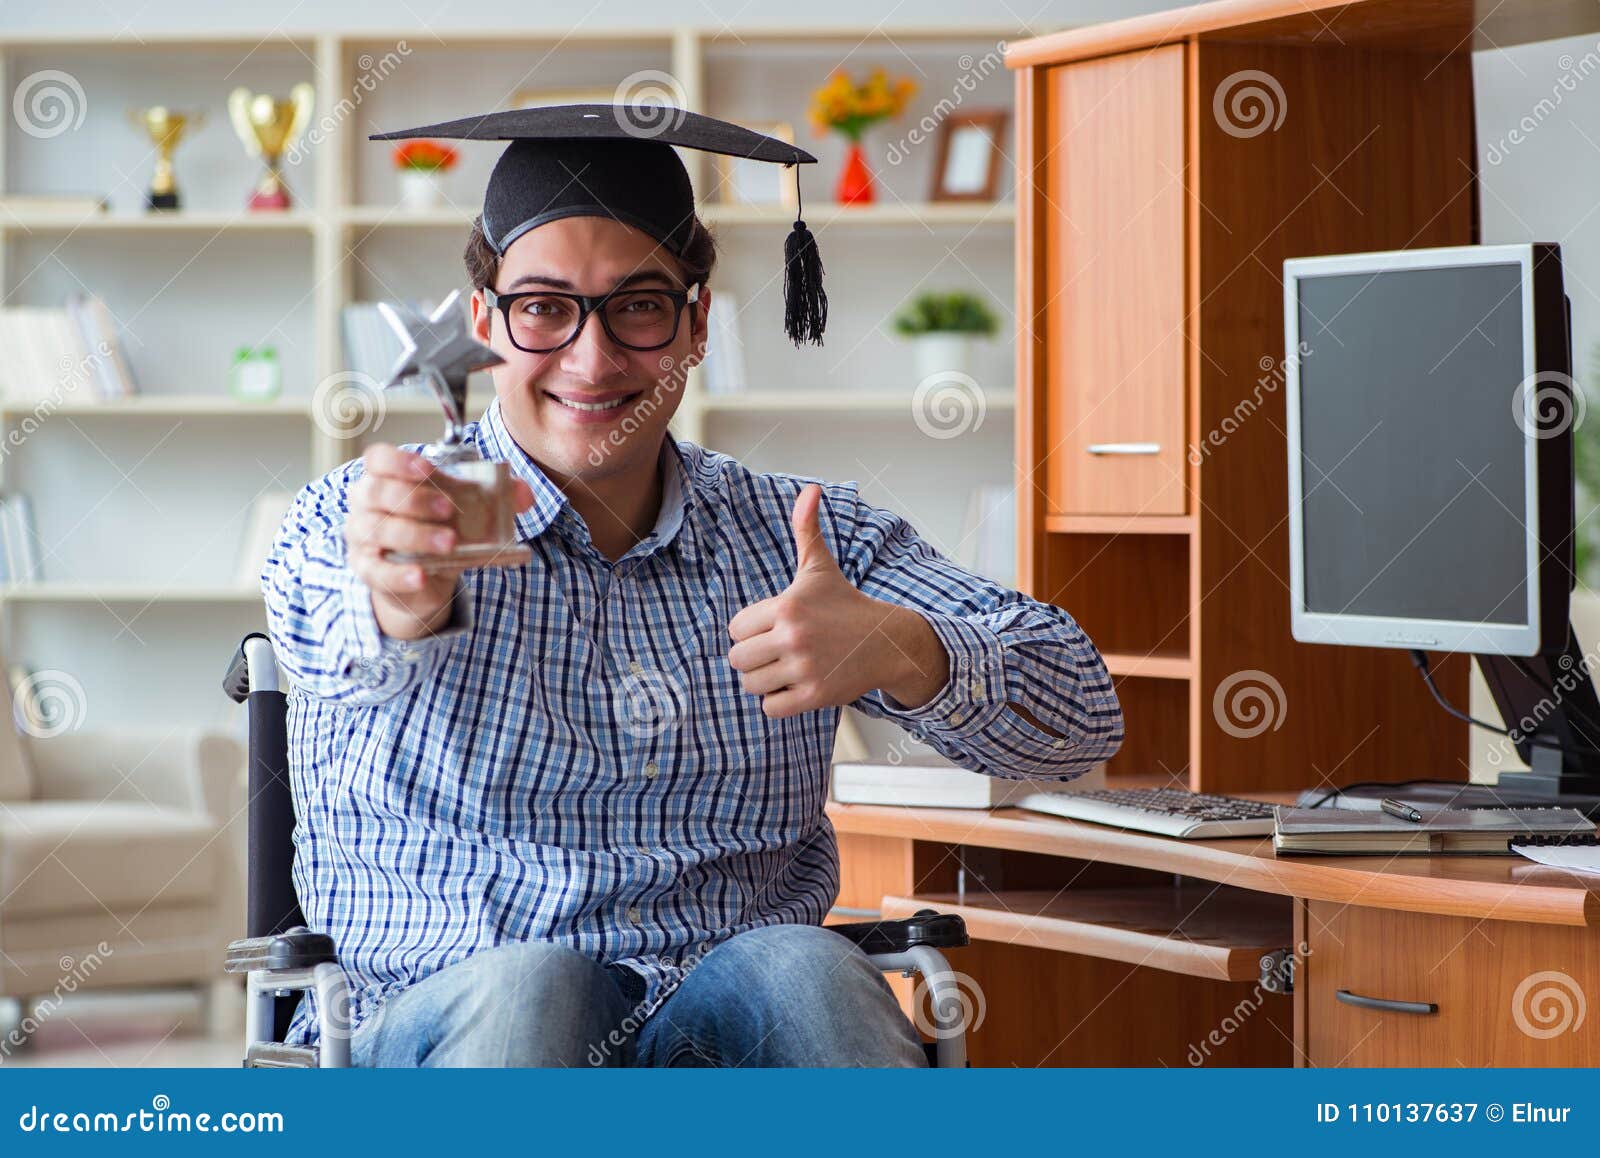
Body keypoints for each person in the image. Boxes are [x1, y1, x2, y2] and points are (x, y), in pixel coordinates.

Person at [260, 104, 1123, 1067]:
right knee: (533, 987)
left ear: (698, 320)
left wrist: (900, 647)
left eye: (638, 305)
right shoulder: (368, 515)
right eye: (543, 307)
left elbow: (1083, 718)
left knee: (805, 969)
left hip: (722, 1020)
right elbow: (326, 638)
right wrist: (400, 605)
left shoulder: (805, 537)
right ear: (482, 321)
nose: (592, 360)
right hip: (447, 1021)